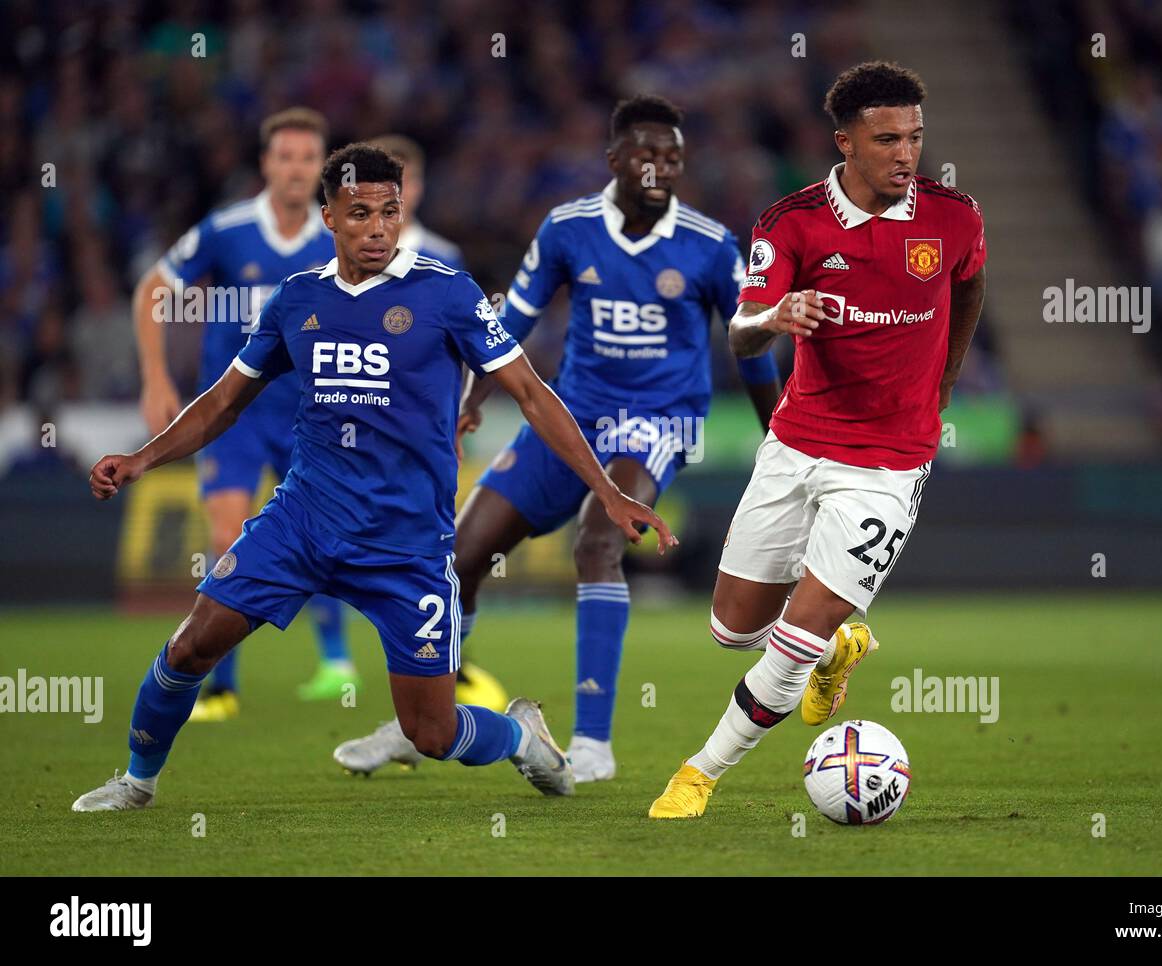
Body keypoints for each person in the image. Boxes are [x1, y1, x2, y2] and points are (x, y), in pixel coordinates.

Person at [72, 143, 674, 812]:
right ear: (328, 216)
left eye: (390, 212)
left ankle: (522, 737)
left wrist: (608, 489)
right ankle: (137, 781)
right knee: (189, 646)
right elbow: (221, 403)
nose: (379, 227)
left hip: (406, 544)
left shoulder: (446, 294)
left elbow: (533, 394)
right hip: (302, 522)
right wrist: (140, 460)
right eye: (361, 214)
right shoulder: (295, 301)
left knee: (433, 731)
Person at [333, 95, 781, 783]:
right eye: (645, 153)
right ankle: (420, 716)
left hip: (659, 420)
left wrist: (777, 435)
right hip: (572, 414)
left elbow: (748, 344)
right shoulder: (569, 229)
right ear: (614, 161)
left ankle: (594, 743)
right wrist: (470, 403)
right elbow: (508, 319)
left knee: (599, 541)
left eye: (672, 157)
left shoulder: (712, 244)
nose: (659, 167)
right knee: (461, 553)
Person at [648, 61, 987, 818]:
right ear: (845, 143)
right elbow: (737, 337)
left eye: (916, 137)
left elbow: (968, 283)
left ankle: (697, 775)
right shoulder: (793, 222)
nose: (907, 154)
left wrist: (945, 383)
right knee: (732, 630)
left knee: (793, 639)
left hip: (889, 465)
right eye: (888, 139)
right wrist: (776, 317)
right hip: (797, 445)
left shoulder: (953, 217)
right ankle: (840, 649)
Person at [133, 107, 356, 720]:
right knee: (230, 537)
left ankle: (335, 661)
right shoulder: (226, 230)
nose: (295, 169)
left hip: (311, 415)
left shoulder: (337, 234)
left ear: (322, 166)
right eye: (284, 157)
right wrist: (155, 378)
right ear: (266, 163)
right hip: (233, 414)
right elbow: (154, 287)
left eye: (307, 158)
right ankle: (222, 687)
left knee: (324, 538)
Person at [366, 132, 508, 713]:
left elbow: (468, 344)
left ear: (415, 188)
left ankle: (448, 670)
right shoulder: (333, 258)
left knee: (428, 556)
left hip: (424, 439)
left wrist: (462, 410)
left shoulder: (442, 260)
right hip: (353, 435)